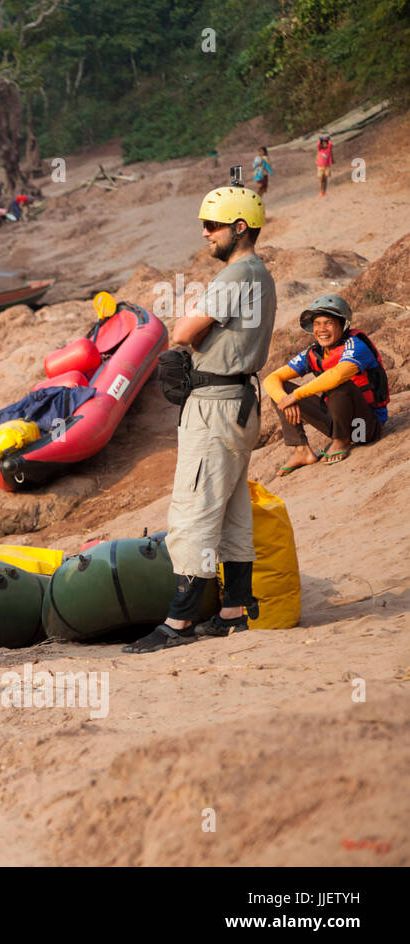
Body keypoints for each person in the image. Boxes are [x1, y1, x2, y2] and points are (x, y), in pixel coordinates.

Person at [124, 181, 276, 652]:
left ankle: (180, 623)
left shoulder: (236, 275)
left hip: (216, 406)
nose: (205, 234)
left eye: (211, 226)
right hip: (238, 400)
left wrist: (190, 316)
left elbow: (184, 331)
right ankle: (232, 611)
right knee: (232, 511)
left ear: (238, 227)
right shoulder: (260, 274)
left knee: (195, 508)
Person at [265, 294, 388, 475]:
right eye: (317, 324)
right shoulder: (314, 352)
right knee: (279, 391)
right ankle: (301, 449)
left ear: (343, 325)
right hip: (335, 422)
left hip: (363, 428)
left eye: (329, 323)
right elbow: (271, 378)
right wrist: (285, 398)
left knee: (339, 383)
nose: (322, 329)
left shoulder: (356, 345)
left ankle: (342, 440)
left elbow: (337, 375)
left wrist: (296, 396)